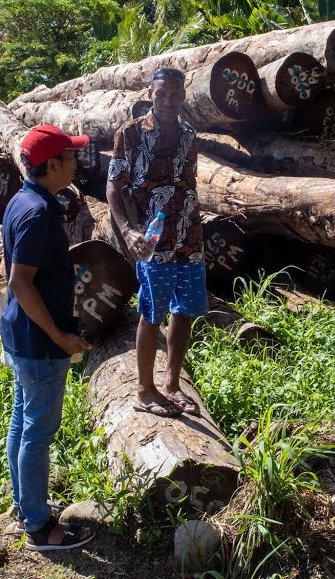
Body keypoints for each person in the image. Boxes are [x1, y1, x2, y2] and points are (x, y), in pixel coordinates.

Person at [1, 124, 95, 551]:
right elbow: (20, 282)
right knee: (37, 433)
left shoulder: (23, 200)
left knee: (23, 422)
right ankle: (40, 527)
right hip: (40, 342)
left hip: (22, 335)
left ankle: (27, 504)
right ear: (52, 165)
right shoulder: (38, 213)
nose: (76, 163)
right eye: (71, 157)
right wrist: (58, 335)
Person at [106, 66, 208, 418]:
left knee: (185, 310)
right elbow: (113, 185)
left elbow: (188, 183)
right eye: (161, 94)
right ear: (150, 94)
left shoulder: (189, 134)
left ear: (183, 96)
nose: (168, 101)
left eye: (175, 95)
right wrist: (128, 231)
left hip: (190, 235)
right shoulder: (131, 133)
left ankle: (172, 384)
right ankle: (144, 390)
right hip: (152, 241)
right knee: (151, 312)